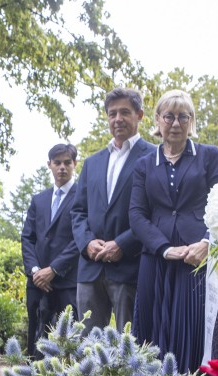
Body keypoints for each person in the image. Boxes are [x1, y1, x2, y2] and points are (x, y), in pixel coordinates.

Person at [129, 89, 218, 373]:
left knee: (195, 331)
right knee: (151, 333)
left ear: (191, 121)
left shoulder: (209, 157)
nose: (175, 123)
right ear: (158, 120)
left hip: (195, 262)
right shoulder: (144, 165)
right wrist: (163, 248)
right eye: (169, 116)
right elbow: (136, 214)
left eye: (183, 117)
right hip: (156, 261)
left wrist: (208, 243)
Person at [72, 87, 155, 331]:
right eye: (112, 114)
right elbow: (78, 212)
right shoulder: (92, 162)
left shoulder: (153, 157)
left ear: (139, 115)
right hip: (90, 269)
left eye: (124, 112)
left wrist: (122, 244)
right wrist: (87, 243)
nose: (117, 119)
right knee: (86, 351)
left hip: (129, 266)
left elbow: (154, 212)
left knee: (130, 351)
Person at [20, 143, 80, 358]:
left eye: (67, 163)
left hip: (67, 281)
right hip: (37, 283)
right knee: (36, 340)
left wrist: (53, 269)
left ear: (75, 164)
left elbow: (79, 239)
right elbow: (28, 238)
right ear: (49, 165)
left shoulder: (84, 197)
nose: (62, 167)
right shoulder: (39, 199)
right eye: (57, 163)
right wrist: (36, 271)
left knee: (68, 343)